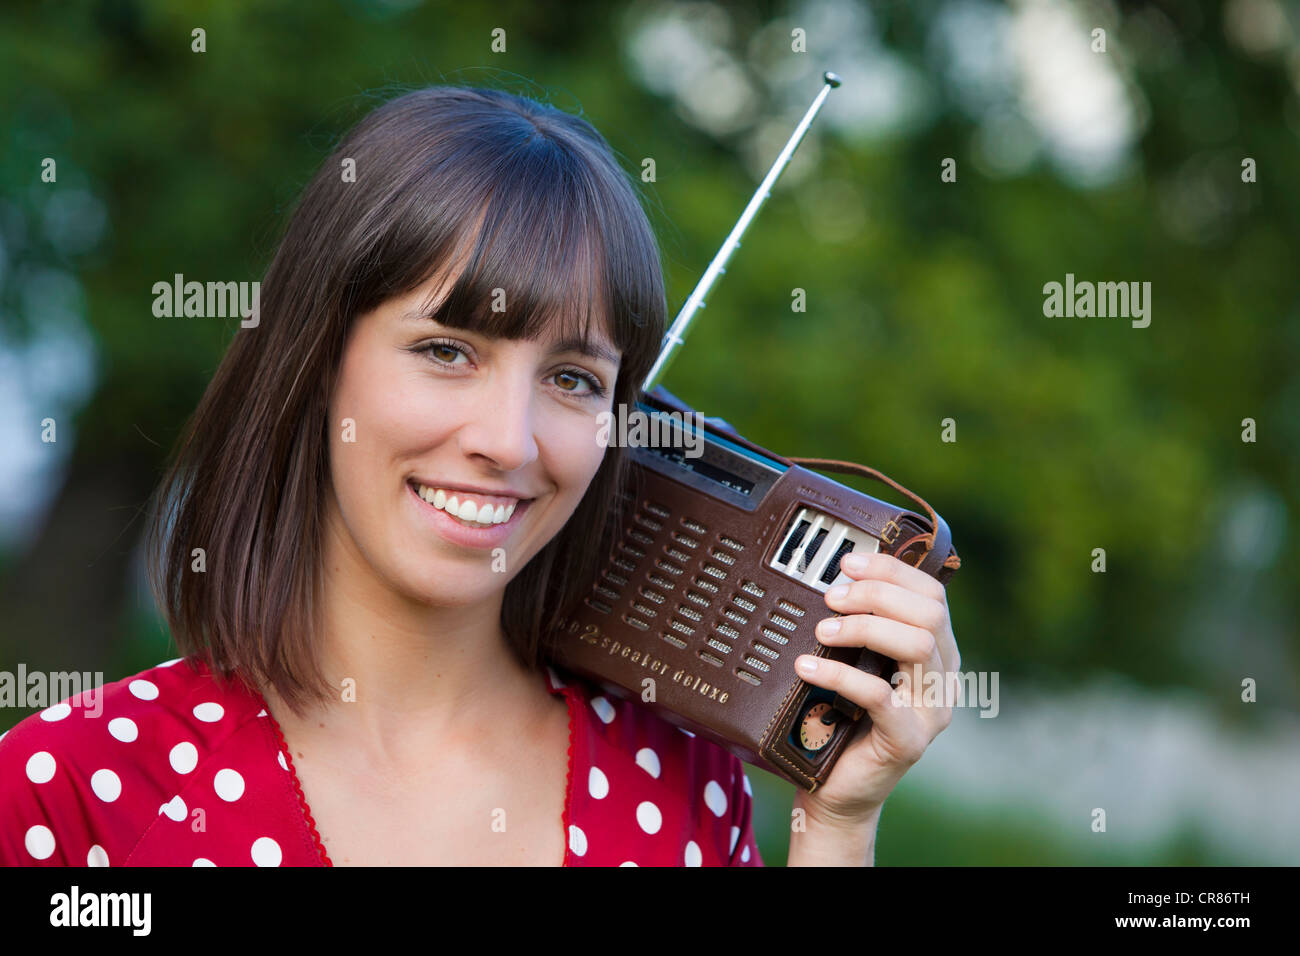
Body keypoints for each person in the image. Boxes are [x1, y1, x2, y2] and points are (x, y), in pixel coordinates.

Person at [0, 84, 959, 867]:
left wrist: (837, 826)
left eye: (574, 379)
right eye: (448, 351)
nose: (509, 440)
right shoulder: (72, 787)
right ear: (318, 357)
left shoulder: (681, 784)